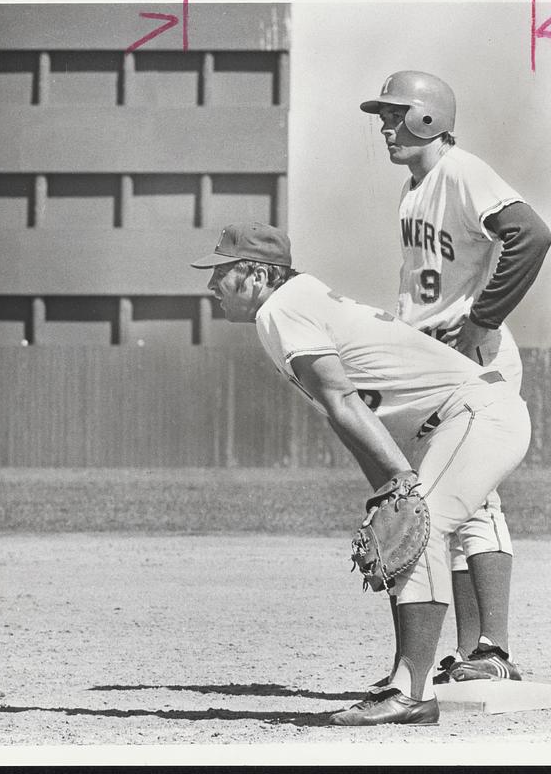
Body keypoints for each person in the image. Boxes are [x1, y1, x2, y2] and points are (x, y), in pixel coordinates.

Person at [192, 221, 531, 725]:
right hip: (468, 417)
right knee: (409, 520)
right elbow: (343, 412)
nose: (210, 285)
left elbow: (342, 399)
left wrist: (401, 480)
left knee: (419, 525)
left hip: (475, 414)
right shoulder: (295, 301)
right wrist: (388, 485)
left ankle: (412, 693)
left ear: (258, 274)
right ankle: (412, 679)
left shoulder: (280, 310)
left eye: (221, 272)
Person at [359, 71, 551, 682]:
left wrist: (483, 318)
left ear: (427, 118)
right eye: (381, 116)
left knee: (475, 502)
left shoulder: (461, 171)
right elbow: (427, 283)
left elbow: (531, 235)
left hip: (472, 364)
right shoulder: (414, 189)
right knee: (460, 507)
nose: (384, 127)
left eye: (394, 114)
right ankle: (473, 655)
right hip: (431, 362)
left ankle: (493, 650)